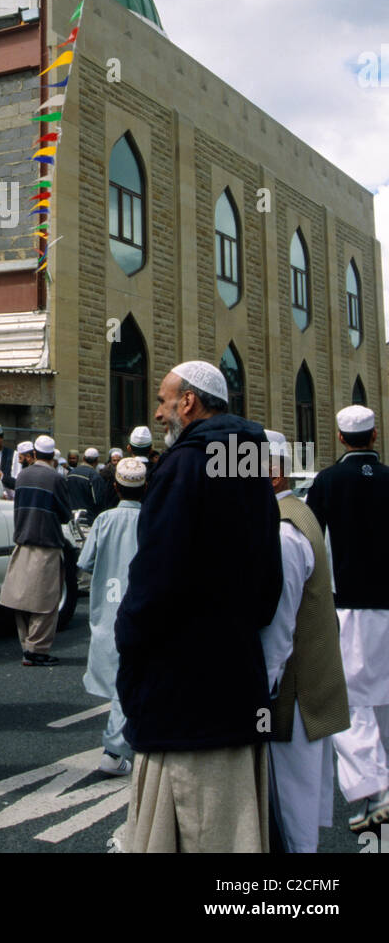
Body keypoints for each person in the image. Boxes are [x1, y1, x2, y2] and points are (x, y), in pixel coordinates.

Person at [115, 361, 283, 853]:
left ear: (188, 402)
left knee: (186, 828)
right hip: (239, 677)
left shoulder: (184, 464)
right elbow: (266, 578)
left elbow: (156, 578)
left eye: (165, 400)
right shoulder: (248, 459)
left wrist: (130, 640)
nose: (159, 411)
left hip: (183, 691)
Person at [260, 430, 349, 853]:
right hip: (308, 687)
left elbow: (278, 628)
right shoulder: (299, 512)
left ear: (273, 473)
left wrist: (261, 689)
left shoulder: (281, 531)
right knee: (298, 807)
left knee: (288, 812)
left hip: (292, 694)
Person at [306, 404, 389, 833]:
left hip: (350, 604)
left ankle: (372, 788)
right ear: (374, 435)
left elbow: (312, 540)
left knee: (351, 700)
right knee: (384, 696)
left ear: (340, 438)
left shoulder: (328, 481)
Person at [78, 457, 147, 777]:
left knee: (122, 682)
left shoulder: (104, 520)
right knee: (132, 680)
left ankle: (115, 748)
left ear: (116, 487)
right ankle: (116, 748)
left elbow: (86, 561)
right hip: (141, 610)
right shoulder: (151, 519)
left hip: (108, 610)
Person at [0, 435, 71, 667]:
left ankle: (27, 645)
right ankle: (36, 649)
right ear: (52, 456)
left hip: (22, 542)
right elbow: (65, 515)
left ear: (35, 454)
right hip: (46, 545)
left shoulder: (22, 476)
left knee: (22, 599)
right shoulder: (56, 478)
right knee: (46, 602)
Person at [67, 448, 110, 524]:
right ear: (97, 461)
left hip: (71, 519)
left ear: (83, 458)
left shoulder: (70, 474)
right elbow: (99, 502)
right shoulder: (95, 477)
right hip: (88, 521)